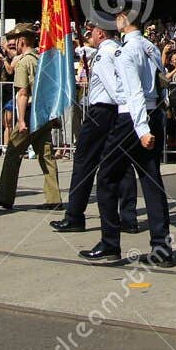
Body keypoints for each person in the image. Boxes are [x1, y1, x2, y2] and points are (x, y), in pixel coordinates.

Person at [79, 17, 171, 267]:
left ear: (124, 20)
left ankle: (110, 243)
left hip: (131, 117)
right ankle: (161, 247)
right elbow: (162, 83)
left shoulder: (126, 50)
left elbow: (131, 92)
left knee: (107, 177)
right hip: (152, 113)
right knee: (152, 181)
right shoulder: (150, 47)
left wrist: (140, 128)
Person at [50, 21, 137, 237]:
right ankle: (128, 218)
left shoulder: (103, 55)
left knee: (84, 162)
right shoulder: (117, 49)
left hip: (102, 112)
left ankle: (75, 216)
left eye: (92, 32)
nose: (90, 35)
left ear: (100, 32)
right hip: (117, 113)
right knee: (121, 165)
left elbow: (112, 86)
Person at [0, 25, 62, 211]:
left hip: (29, 113)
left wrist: (21, 121)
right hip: (43, 113)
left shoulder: (24, 63)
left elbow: (23, 93)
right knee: (46, 155)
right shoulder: (42, 60)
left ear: (22, 41)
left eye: (15, 41)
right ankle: (54, 197)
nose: (13, 44)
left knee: (13, 152)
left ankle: (5, 196)